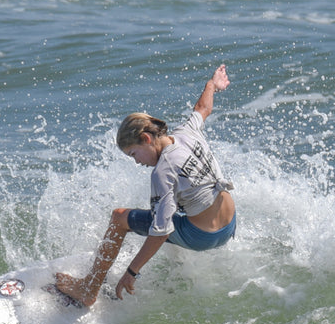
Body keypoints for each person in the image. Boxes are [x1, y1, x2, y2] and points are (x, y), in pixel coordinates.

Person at [55, 65, 237, 306]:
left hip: (202, 237)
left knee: (120, 218)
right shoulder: (187, 132)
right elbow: (203, 108)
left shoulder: (163, 172)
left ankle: (88, 289)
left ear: (146, 139)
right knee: (171, 203)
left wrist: (131, 272)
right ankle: (177, 268)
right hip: (229, 225)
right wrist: (212, 85)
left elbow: (161, 231)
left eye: (134, 154)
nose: (137, 162)